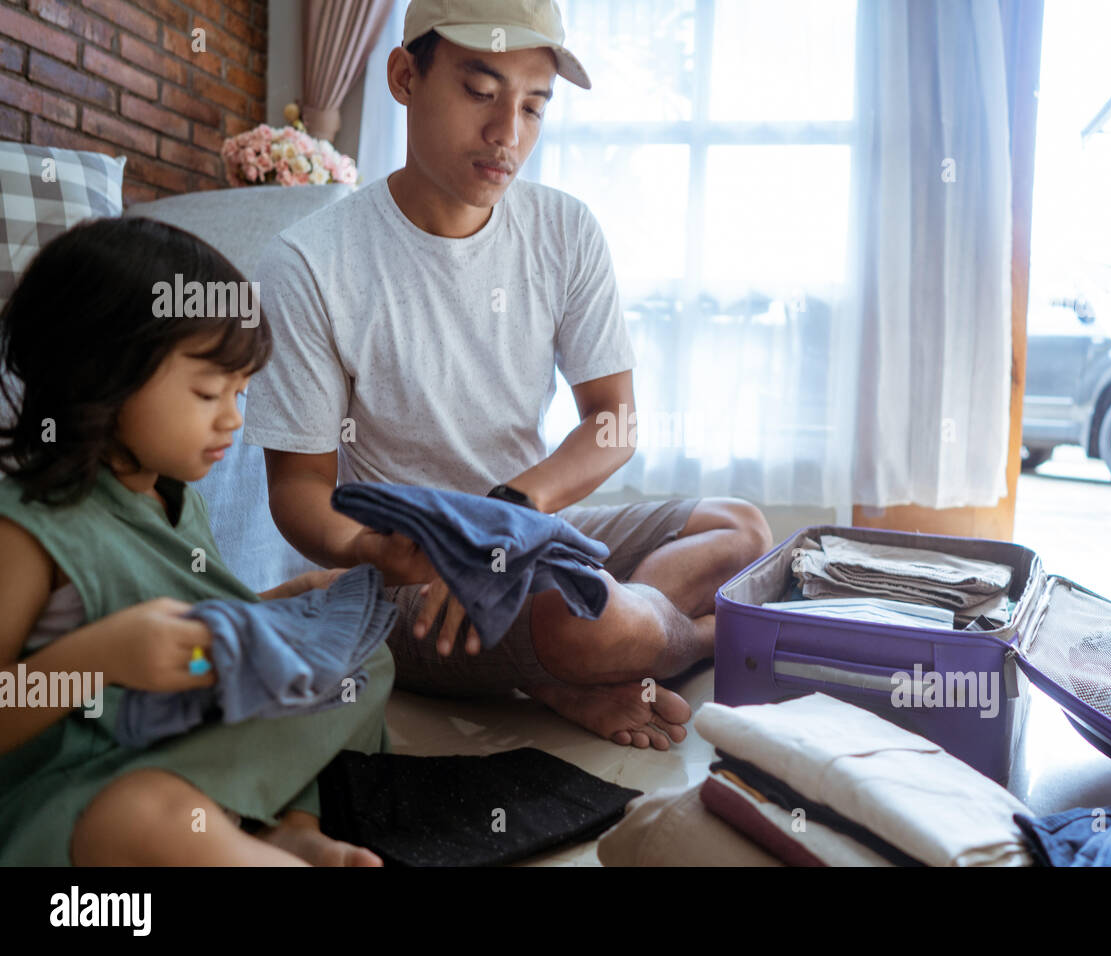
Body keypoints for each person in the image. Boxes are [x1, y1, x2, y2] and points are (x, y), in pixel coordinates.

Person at [243, 0, 773, 750]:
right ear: (404, 76)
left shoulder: (564, 228)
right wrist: (378, 552)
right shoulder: (309, 264)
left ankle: (605, 652)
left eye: (533, 105)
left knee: (741, 527)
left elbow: (612, 422)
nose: (507, 134)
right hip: (418, 575)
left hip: (531, 530)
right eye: (480, 91)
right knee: (582, 623)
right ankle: (681, 642)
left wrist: (515, 512)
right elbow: (298, 491)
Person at [0, 217, 391, 865]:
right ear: (102, 376)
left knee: (358, 653)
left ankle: (291, 822)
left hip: (189, 747)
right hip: (85, 791)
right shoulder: (29, 530)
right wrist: (96, 660)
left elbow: (192, 629)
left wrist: (283, 604)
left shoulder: (179, 502)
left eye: (240, 391)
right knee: (147, 816)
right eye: (209, 391)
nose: (234, 417)